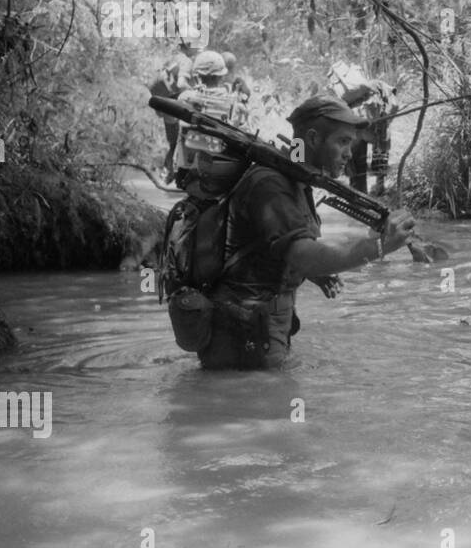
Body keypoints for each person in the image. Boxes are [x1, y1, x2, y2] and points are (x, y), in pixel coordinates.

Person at [197, 95, 416, 370]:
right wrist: (381, 246)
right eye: (343, 141)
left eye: (352, 143)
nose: (350, 153)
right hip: (243, 332)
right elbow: (303, 253)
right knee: (262, 410)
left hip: (256, 327)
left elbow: (270, 246)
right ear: (312, 140)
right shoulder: (272, 184)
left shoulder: (293, 180)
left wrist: (309, 272)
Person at [172, 50, 244, 195]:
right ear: (222, 76)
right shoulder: (236, 103)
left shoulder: (186, 98)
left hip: (189, 170)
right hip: (225, 170)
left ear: (197, 76)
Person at [150, 42, 197, 184]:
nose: (198, 48)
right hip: (174, 105)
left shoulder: (174, 57)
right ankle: (172, 174)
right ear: (189, 45)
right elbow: (182, 84)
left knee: (173, 141)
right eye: (196, 44)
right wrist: (195, 92)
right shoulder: (187, 61)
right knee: (180, 140)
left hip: (165, 104)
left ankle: (167, 174)